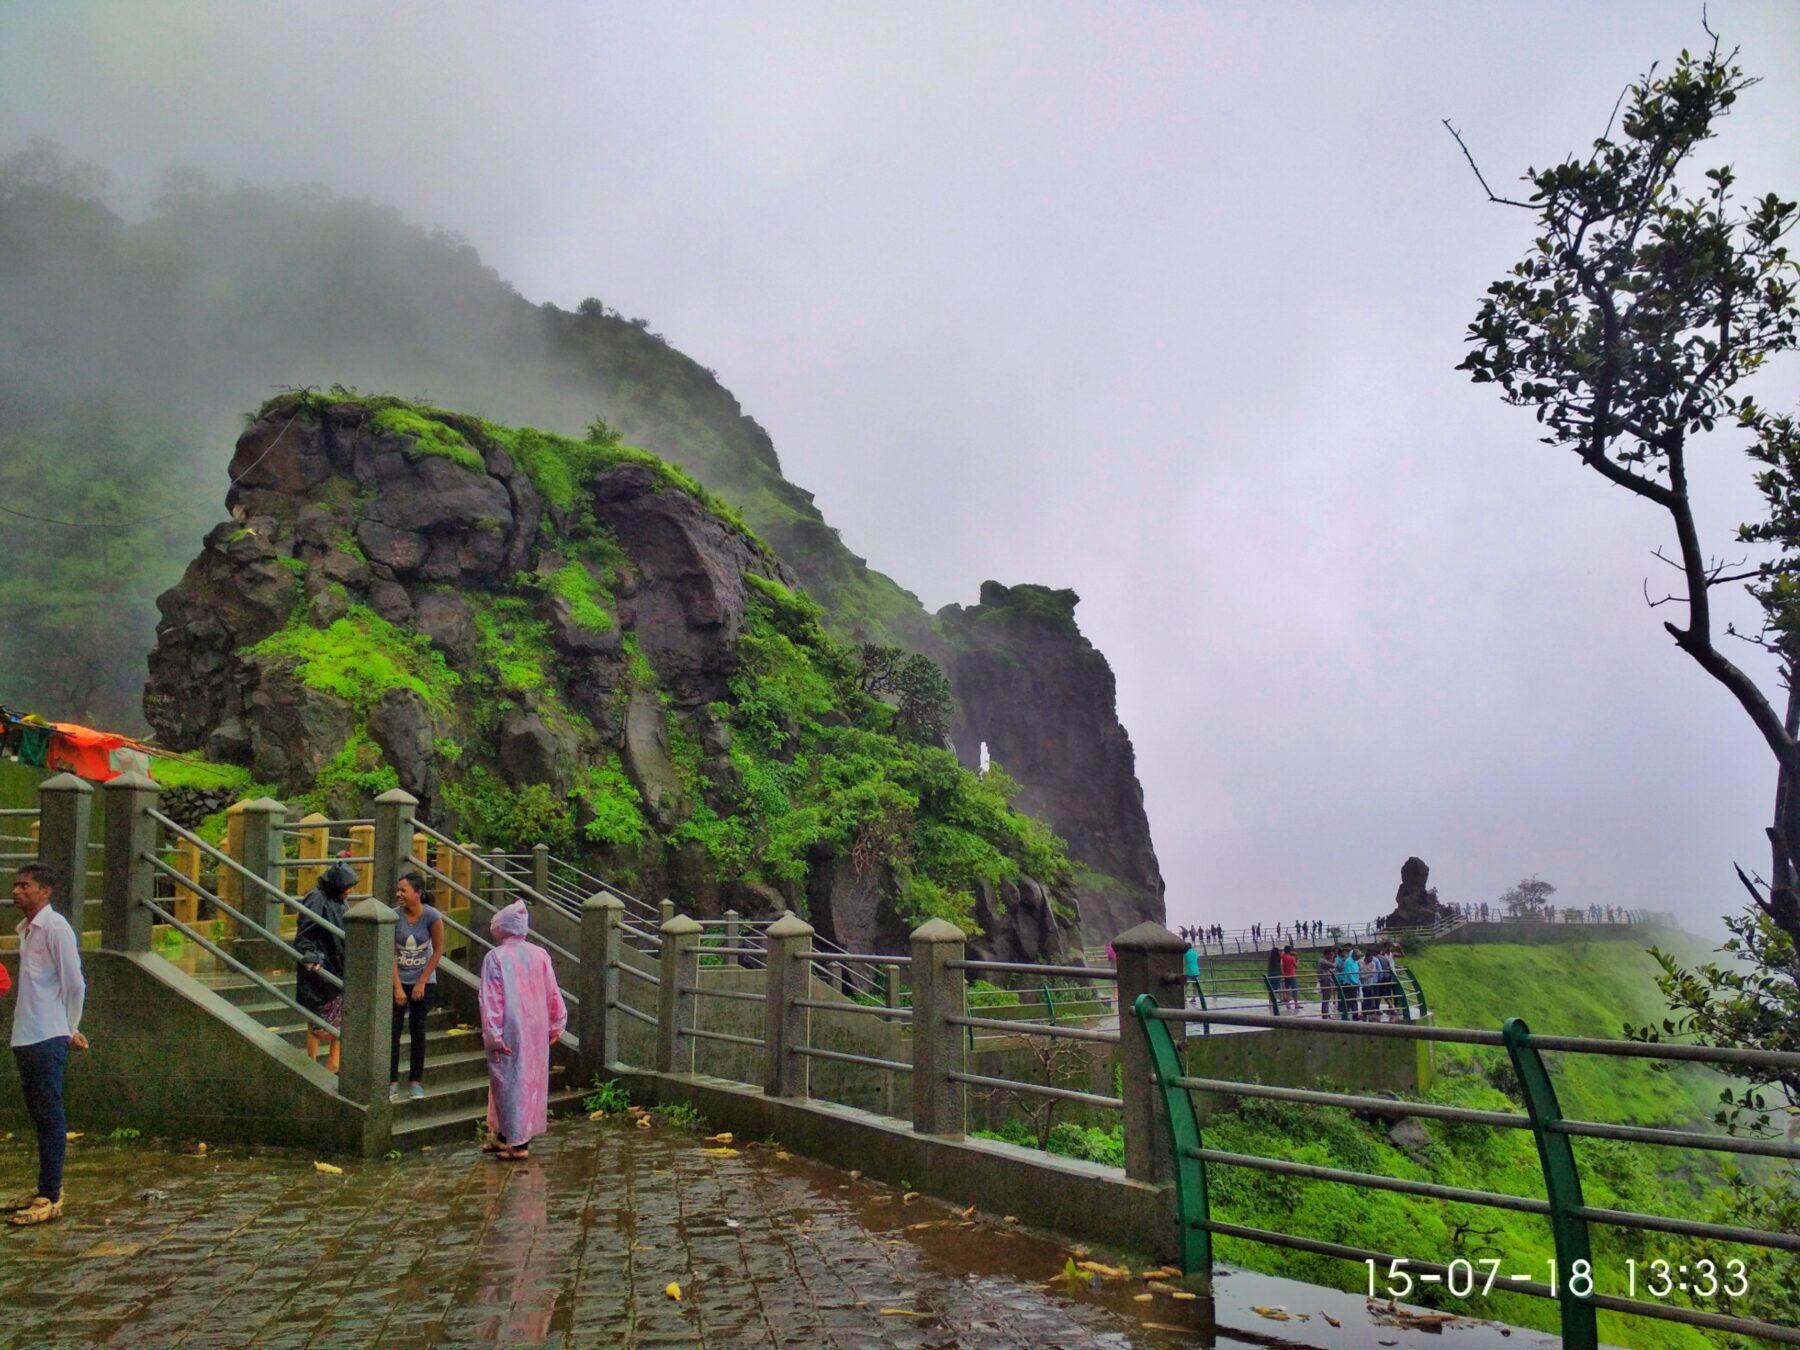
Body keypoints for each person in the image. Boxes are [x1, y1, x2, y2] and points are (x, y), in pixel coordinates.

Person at [9, 862, 86, 1227]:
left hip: (47, 1035)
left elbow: (75, 983)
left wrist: (70, 1027)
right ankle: (44, 1186)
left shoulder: (55, 928)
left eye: (25, 886)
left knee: (50, 1114)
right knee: (40, 1115)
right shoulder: (26, 929)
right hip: (26, 1033)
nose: (17, 891)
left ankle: (51, 1194)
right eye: (16, 885)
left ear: (45, 891)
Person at [480, 901, 567, 1161]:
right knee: (529, 1081)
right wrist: (557, 1022)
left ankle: (518, 1144)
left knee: (508, 1082)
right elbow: (553, 991)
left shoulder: (495, 957)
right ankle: (507, 1137)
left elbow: (491, 1000)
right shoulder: (539, 954)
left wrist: (493, 1034)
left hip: (508, 1028)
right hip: (536, 1027)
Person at [296, 862, 356, 1073]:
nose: (349, 891)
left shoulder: (339, 901)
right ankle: (311, 1060)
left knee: (338, 1017)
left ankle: (334, 1062)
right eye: (346, 887)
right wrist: (311, 955)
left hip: (337, 965)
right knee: (317, 1016)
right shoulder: (317, 898)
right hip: (321, 967)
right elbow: (305, 933)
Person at [391, 871, 445, 1102]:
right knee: (392, 1031)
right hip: (398, 980)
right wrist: (397, 987)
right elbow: (390, 954)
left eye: (404, 890)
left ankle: (416, 1081)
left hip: (423, 980)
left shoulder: (432, 916)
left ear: (418, 893)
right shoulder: (393, 917)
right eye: (398, 890)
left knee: (418, 1030)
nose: (399, 894)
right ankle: (391, 1081)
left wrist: (421, 981)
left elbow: (438, 950)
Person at [1316, 947, 1336, 1017]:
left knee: (1326, 998)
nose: (1331, 956)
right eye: (1331, 954)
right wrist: (1332, 959)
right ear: (1327, 954)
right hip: (1325, 980)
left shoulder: (1322, 960)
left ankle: (1326, 1013)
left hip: (1325, 980)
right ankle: (1325, 1014)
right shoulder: (1323, 961)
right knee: (1326, 998)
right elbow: (1333, 965)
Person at [1279, 943, 1299, 1012]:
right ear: (1290, 951)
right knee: (1294, 989)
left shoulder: (1283, 956)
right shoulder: (1291, 958)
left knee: (1287, 990)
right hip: (1292, 975)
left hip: (1285, 975)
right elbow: (1296, 966)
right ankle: (1296, 1004)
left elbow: (1282, 953)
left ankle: (1288, 1004)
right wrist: (1298, 961)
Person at [1183, 940, 1201, 1007]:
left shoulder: (1185, 954)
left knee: (1185, 985)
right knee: (1194, 985)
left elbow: (1184, 961)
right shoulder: (1195, 953)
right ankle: (1194, 998)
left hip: (1189, 971)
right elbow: (1196, 959)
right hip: (1196, 971)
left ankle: (1184, 997)